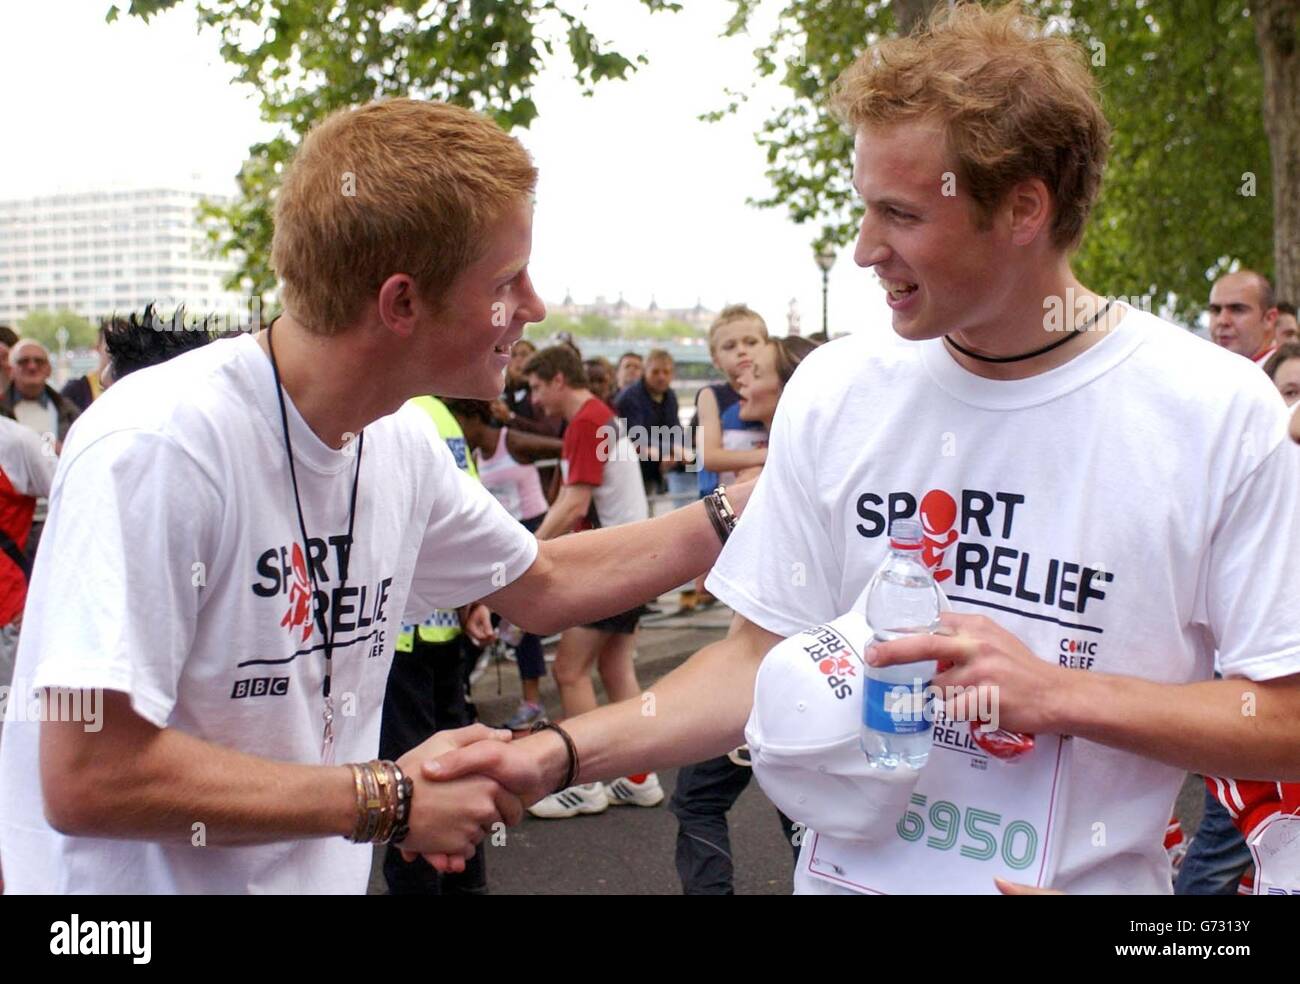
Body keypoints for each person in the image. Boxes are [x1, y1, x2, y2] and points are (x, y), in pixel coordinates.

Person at [425, 4, 1300, 896]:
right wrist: (556, 753)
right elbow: (754, 663)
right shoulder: (842, 389)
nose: (863, 249)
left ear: (1025, 208)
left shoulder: (1213, 413)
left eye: (901, 214)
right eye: (862, 207)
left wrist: (1060, 694)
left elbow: (1284, 719)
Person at [0, 98, 752, 894]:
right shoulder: (156, 446)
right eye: (507, 280)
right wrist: (387, 798)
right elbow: (90, 772)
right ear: (400, 304)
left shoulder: (399, 441)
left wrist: (736, 510)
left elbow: (547, 584)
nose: (532, 307)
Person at [668, 334, 820, 894]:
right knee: (805, 820)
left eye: (754, 369)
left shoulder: (780, 478)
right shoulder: (793, 461)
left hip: (774, 679)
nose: (742, 379)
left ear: (789, 387)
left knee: (698, 800)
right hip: (793, 680)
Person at [523, 345, 665, 817]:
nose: (534, 399)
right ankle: (639, 776)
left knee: (568, 670)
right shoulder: (601, 415)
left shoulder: (585, 421)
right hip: (637, 558)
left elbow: (574, 505)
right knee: (615, 670)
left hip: (612, 563)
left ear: (559, 380)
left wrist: (530, 550)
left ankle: (583, 781)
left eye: (538, 387)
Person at [445, 397, 563, 730]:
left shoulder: (510, 441)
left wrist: (556, 501)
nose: (455, 430)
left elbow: (565, 448)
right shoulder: (474, 455)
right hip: (502, 538)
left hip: (534, 530)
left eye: (457, 421)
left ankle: (531, 703)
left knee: (523, 622)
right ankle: (461, 695)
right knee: (488, 619)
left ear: (471, 417)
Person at [680, 305, 769, 613]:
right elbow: (712, 456)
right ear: (716, 359)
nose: (742, 351)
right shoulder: (712, 395)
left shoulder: (775, 390)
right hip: (726, 505)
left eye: (751, 342)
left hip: (763, 508)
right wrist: (769, 456)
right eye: (730, 346)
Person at [614, 348, 683, 496]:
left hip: (653, 467)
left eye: (666, 372)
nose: (661, 377)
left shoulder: (670, 396)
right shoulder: (630, 397)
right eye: (655, 372)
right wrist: (672, 449)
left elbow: (675, 428)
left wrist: (674, 452)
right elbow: (636, 436)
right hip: (630, 467)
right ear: (645, 371)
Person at [1208, 269, 1279, 366]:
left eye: (1237, 310)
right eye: (1216, 310)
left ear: (1269, 319)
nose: (1222, 320)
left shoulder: (1290, 377)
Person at [61, 325, 110, 412]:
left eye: (125, 343)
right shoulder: (75, 391)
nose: (118, 349)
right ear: (97, 347)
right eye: (110, 342)